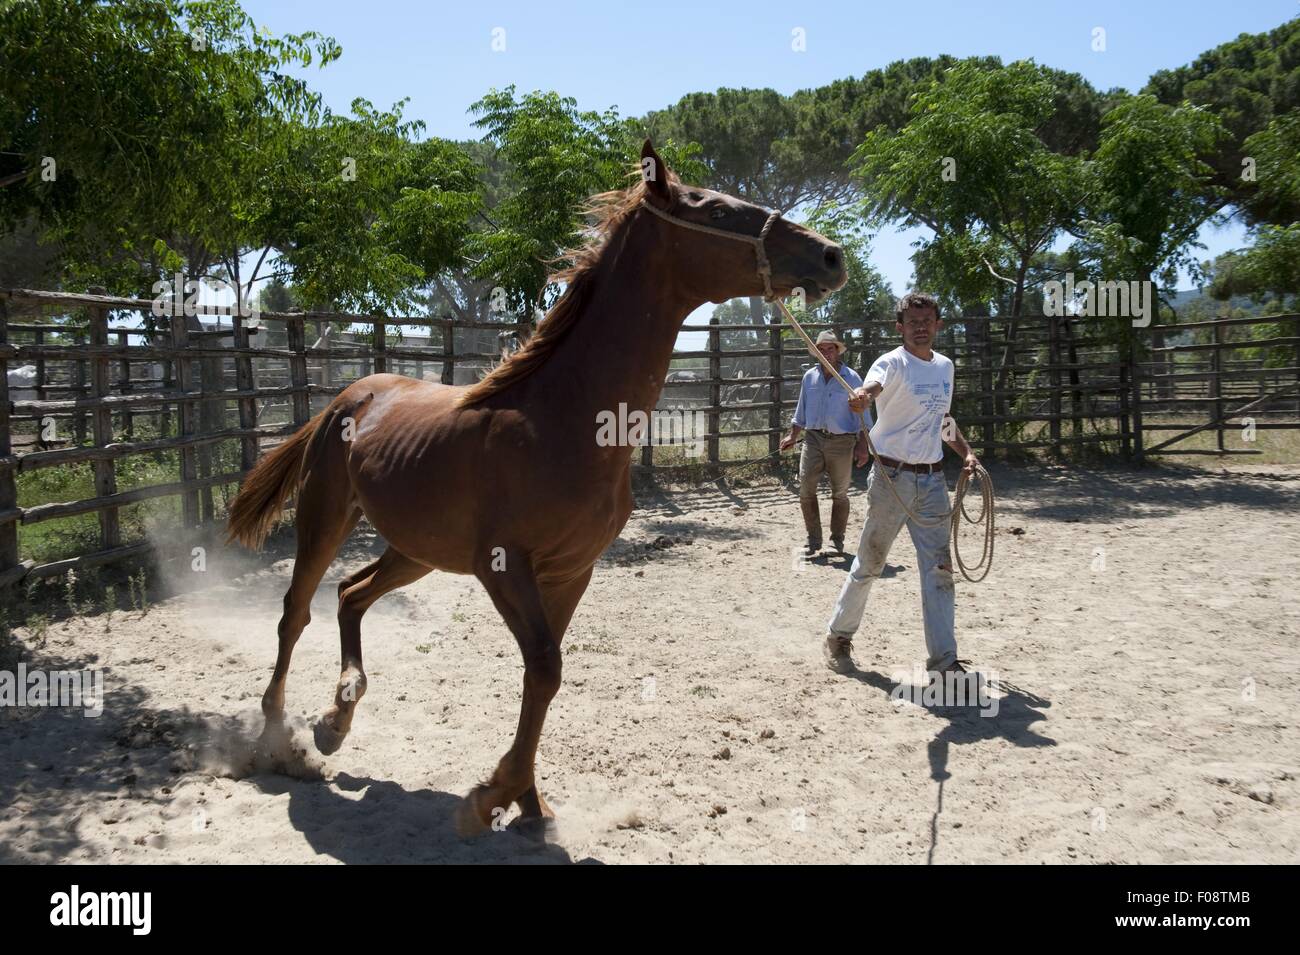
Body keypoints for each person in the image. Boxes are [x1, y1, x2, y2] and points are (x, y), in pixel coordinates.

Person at [823, 292, 981, 678]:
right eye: (913, 322)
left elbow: (942, 419)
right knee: (870, 562)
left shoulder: (944, 367)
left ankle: (944, 661)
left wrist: (967, 453)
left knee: (940, 569)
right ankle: (838, 636)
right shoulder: (891, 363)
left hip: (932, 482)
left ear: (939, 325)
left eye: (927, 321)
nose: (921, 328)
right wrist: (863, 395)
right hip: (891, 479)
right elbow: (874, 385)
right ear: (901, 327)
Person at [780, 331, 871, 554]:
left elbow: (863, 416)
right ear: (816, 353)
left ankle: (836, 539)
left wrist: (863, 445)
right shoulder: (809, 377)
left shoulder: (852, 378)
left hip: (842, 441)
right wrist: (793, 435)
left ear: (837, 351)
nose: (826, 353)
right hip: (813, 438)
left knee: (839, 492)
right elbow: (801, 409)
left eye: (830, 349)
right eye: (821, 349)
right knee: (806, 487)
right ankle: (814, 539)